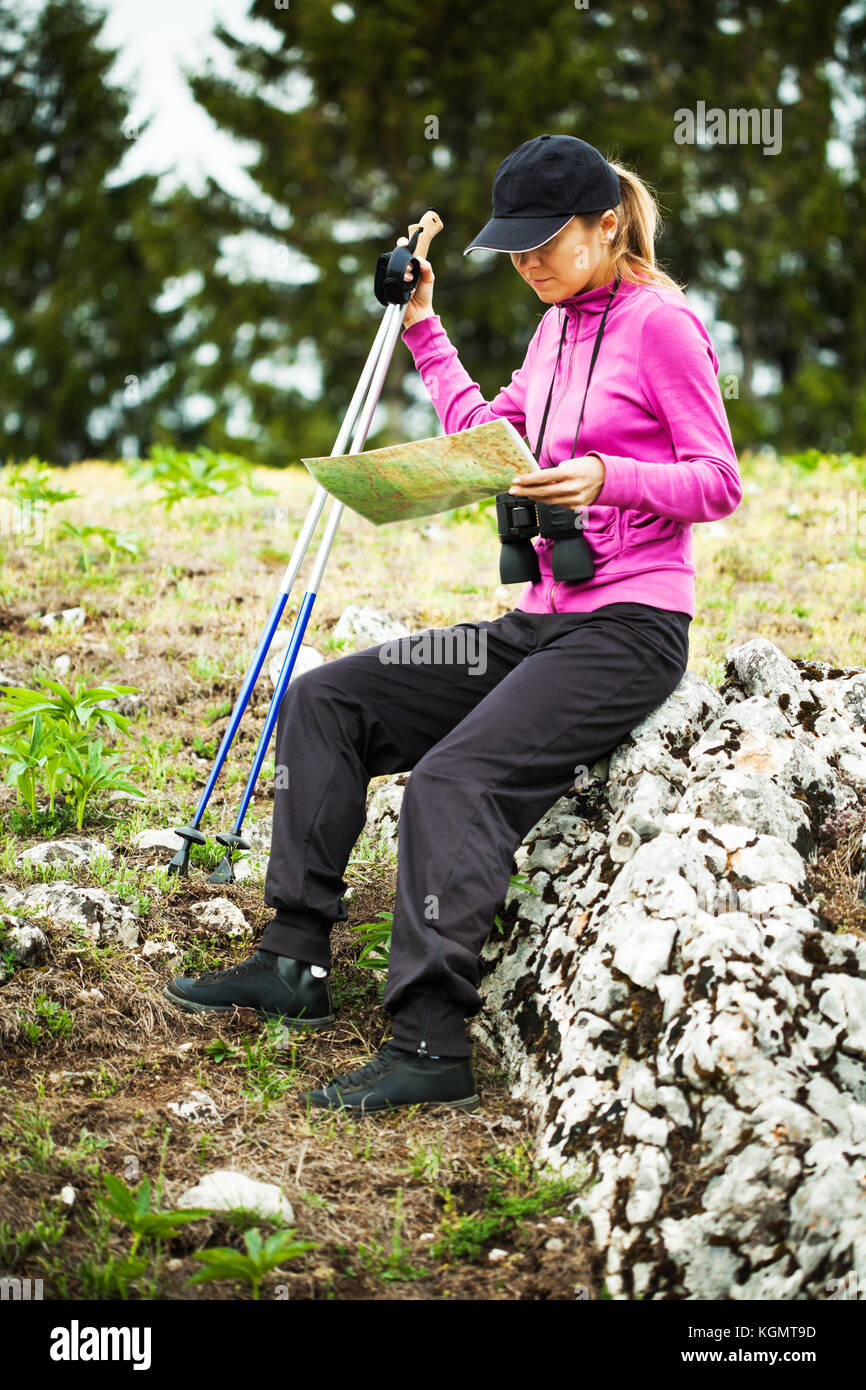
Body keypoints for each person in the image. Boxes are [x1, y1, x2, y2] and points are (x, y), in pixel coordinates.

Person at [164, 134, 741, 1115]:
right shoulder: (554, 330)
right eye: (513, 249)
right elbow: (486, 437)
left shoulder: (663, 325)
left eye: (543, 243)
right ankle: (293, 960)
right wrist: (423, 324)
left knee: (452, 780)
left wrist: (608, 477)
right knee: (326, 700)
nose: (528, 264)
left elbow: (718, 480)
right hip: (533, 626)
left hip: (627, 627)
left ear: (606, 224)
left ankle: (431, 1047)